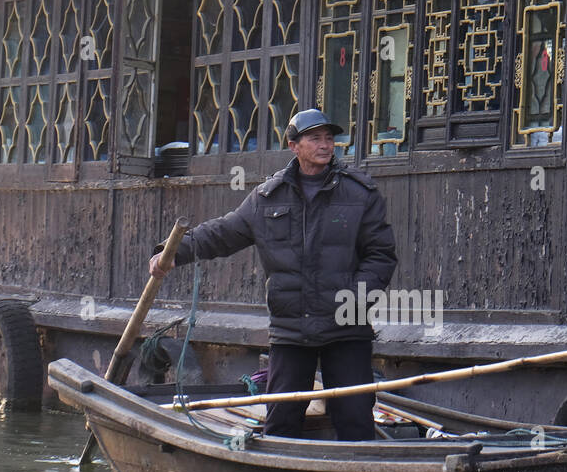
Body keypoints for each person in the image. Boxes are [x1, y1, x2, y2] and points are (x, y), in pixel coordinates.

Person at [149, 109, 397, 440]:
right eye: (315, 139)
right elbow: (223, 233)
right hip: (291, 328)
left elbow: (381, 255)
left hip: (346, 325)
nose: (325, 146)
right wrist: (171, 252)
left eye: (329, 139)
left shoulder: (359, 193)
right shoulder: (268, 197)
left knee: (355, 417)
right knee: (281, 419)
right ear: (294, 145)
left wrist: (353, 298)